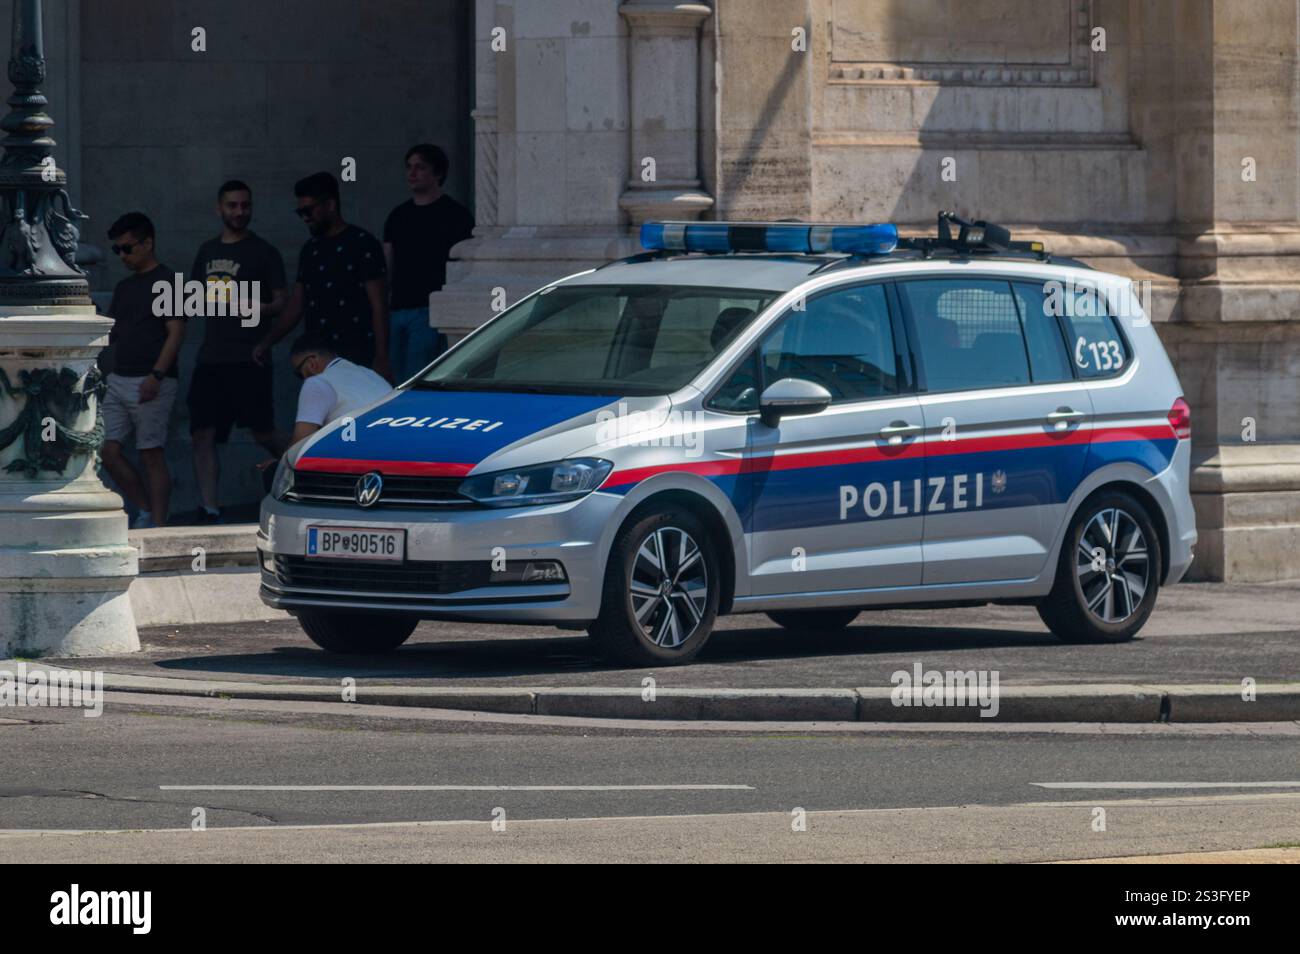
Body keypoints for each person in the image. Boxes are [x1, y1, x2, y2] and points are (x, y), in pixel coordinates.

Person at [187, 179, 290, 523]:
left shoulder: (263, 251)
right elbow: (194, 297)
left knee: (263, 432)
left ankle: (303, 468)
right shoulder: (207, 251)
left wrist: (256, 308)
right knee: (202, 433)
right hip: (211, 358)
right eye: (232, 205)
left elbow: (282, 302)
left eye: (245, 205)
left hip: (248, 357)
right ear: (219, 208)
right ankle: (209, 507)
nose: (239, 211)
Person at [253, 172, 390, 381]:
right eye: (300, 212)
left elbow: (378, 304)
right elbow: (297, 303)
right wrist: (268, 341)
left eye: (309, 210)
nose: (305, 217)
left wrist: (381, 357)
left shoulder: (363, 244)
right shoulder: (310, 249)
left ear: (330, 205)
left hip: (358, 356)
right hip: (318, 360)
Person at [98, 213, 185, 529]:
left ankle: (160, 526)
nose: (122, 255)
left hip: (153, 380)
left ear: (148, 243)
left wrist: (157, 376)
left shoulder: (169, 282)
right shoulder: (124, 287)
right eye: (116, 250)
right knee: (107, 451)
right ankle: (146, 510)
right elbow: (113, 332)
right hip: (119, 378)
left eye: (127, 248)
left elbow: (176, 333)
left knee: (151, 453)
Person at [383, 144, 474, 381]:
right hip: (398, 309)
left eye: (420, 167)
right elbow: (388, 265)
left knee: (416, 378)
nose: (412, 173)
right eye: (409, 167)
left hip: (430, 310)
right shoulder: (397, 216)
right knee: (395, 380)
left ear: (438, 173)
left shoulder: (456, 216)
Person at [257, 333, 392, 492]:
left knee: (275, 474)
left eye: (299, 373)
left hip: (356, 469)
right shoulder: (371, 374)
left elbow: (301, 443)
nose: (302, 378)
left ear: (312, 363)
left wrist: (278, 464)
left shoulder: (317, 382)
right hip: (392, 460)